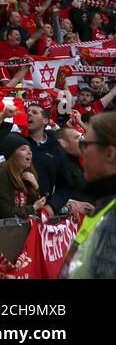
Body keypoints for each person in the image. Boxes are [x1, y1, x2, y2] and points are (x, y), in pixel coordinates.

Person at [64, 112, 116, 278]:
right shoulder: (106, 203)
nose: (82, 151)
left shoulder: (112, 215)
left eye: (86, 144)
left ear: (109, 153)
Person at [0, 132, 46, 220]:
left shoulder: (28, 174)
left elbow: (37, 204)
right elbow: (6, 212)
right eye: (23, 149)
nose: (29, 152)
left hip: (22, 228)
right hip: (3, 230)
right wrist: (33, 208)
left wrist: (36, 187)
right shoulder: (0, 174)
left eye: (30, 149)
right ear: (12, 154)